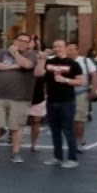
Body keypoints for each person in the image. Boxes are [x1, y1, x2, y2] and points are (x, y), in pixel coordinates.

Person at [0, 33, 43, 163]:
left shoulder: (31, 55)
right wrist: (14, 66)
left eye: (25, 42)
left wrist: (15, 54)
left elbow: (27, 65)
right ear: (14, 40)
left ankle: (16, 152)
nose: (22, 43)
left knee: (16, 126)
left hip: (19, 97)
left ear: (29, 44)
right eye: (20, 40)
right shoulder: (2, 52)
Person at [40, 40, 84, 168]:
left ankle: (72, 158)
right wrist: (43, 58)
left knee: (68, 130)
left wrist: (64, 80)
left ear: (65, 48)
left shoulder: (73, 64)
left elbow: (81, 81)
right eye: (55, 46)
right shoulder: (48, 62)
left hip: (67, 101)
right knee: (55, 131)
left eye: (60, 46)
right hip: (51, 101)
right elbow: (37, 73)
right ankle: (57, 157)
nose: (57, 48)